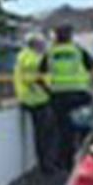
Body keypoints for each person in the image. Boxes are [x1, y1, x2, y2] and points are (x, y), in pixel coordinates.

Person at [42, 25, 93, 171]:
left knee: (64, 131)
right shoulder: (78, 51)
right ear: (70, 36)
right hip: (79, 95)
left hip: (58, 96)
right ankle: (86, 159)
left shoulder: (50, 53)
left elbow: (39, 75)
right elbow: (92, 72)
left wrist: (48, 91)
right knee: (85, 128)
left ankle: (66, 163)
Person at [14, 31, 56, 173]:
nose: (44, 46)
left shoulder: (24, 56)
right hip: (37, 100)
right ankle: (46, 165)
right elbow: (36, 79)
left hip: (30, 98)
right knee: (45, 135)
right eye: (41, 44)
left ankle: (46, 164)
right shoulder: (33, 58)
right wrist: (49, 92)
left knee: (43, 134)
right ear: (35, 44)